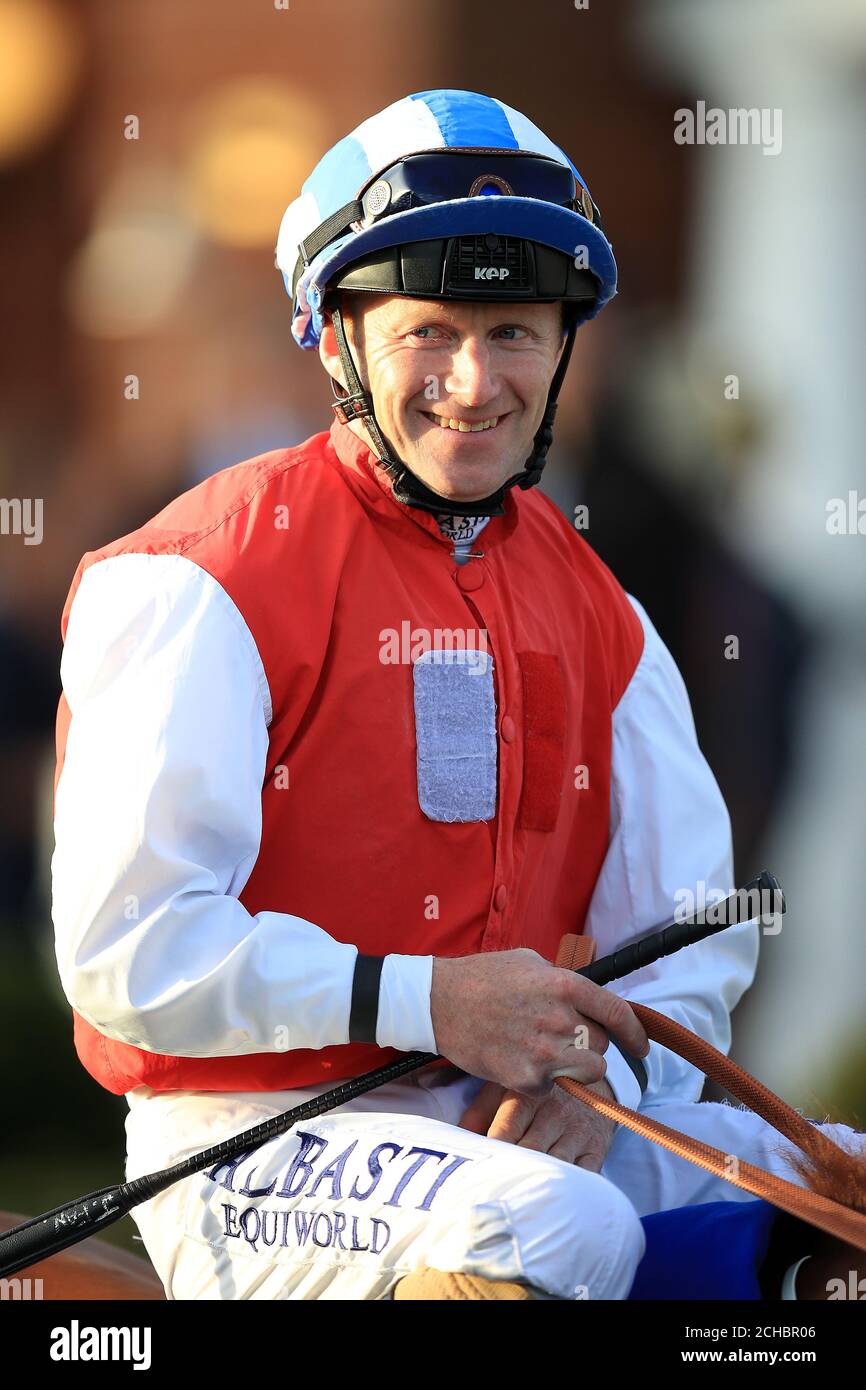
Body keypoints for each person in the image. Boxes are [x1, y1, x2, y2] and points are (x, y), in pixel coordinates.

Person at [51, 88, 790, 1300]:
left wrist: (605, 1081)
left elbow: (691, 922)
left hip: (520, 1119)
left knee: (841, 1197)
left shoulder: (603, 605)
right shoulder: (196, 580)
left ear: (561, 349)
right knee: (559, 1232)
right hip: (255, 1141)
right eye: (428, 331)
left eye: (513, 333)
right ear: (337, 338)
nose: (473, 381)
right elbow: (131, 949)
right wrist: (428, 1000)